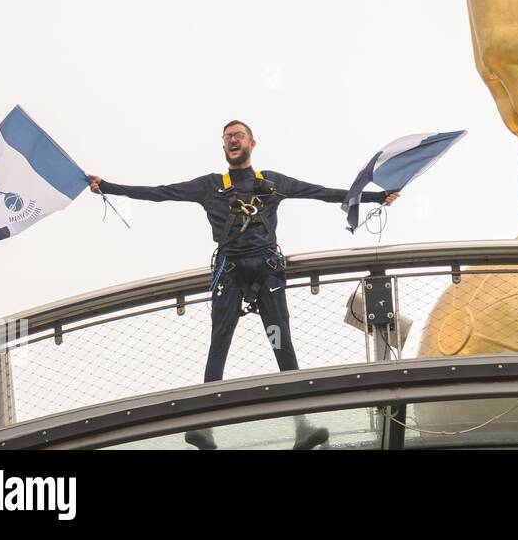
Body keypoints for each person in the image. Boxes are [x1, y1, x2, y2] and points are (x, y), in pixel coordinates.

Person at [89, 119, 398, 449]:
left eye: (238, 136)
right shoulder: (209, 186)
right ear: (224, 148)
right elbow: (161, 193)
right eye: (227, 138)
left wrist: (376, 197)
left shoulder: (273, 183)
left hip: (267, 273)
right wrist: (108, 186)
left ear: (252, 143)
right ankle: (203, 428)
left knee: (282, 342)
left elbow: (320, 193)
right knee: (219, 340)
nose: (232, 140)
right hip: (231, 273)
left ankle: (302, 427)